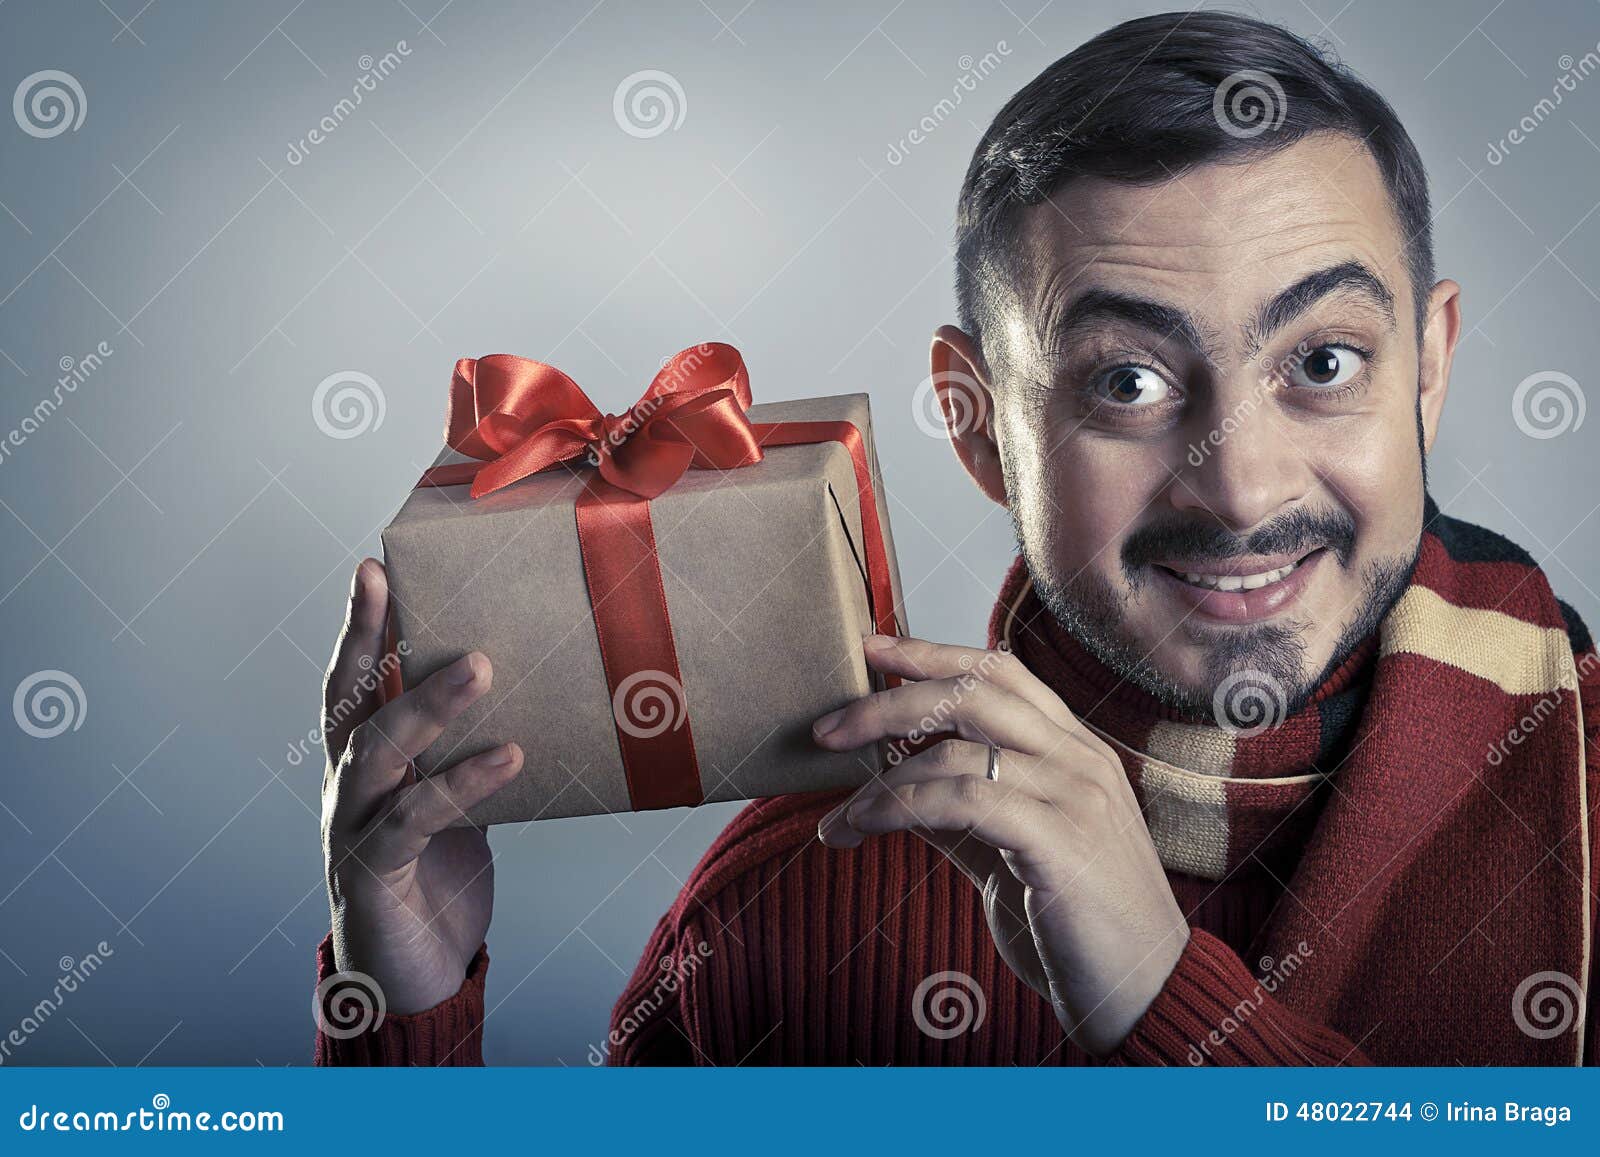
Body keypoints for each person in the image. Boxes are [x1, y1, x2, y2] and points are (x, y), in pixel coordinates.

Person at [314, 10, 1597, 1065]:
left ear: (1426, 370)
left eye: (1321, 360)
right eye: (1127, 384)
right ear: (978, 425)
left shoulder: (1579, 781)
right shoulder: (791, 902)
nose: (1242, 488)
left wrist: (1166, 1003)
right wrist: (404, 1005)